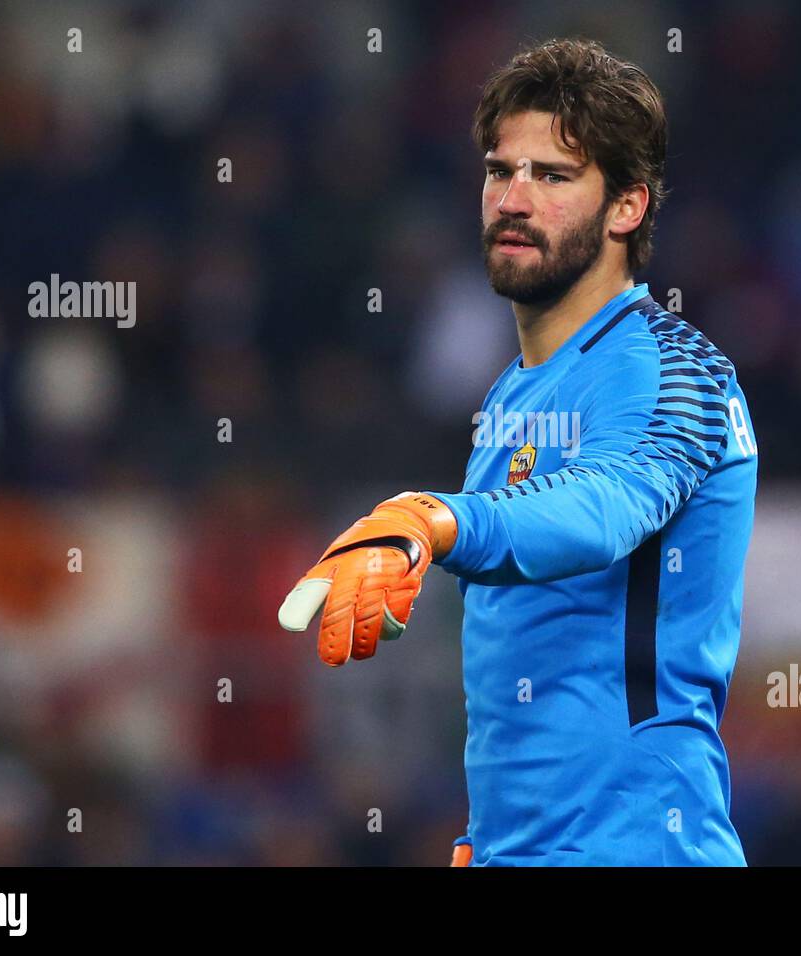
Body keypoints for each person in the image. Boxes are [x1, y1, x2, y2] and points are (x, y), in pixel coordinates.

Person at [279, 37, 759, 866]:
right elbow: (528, 650)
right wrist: (489, 838)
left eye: (554, 176)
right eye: (502, 171)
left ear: (628, 208)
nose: (514, 198)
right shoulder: (513, 391)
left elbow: (608, 506)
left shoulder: (672, 365)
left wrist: (433, 519)